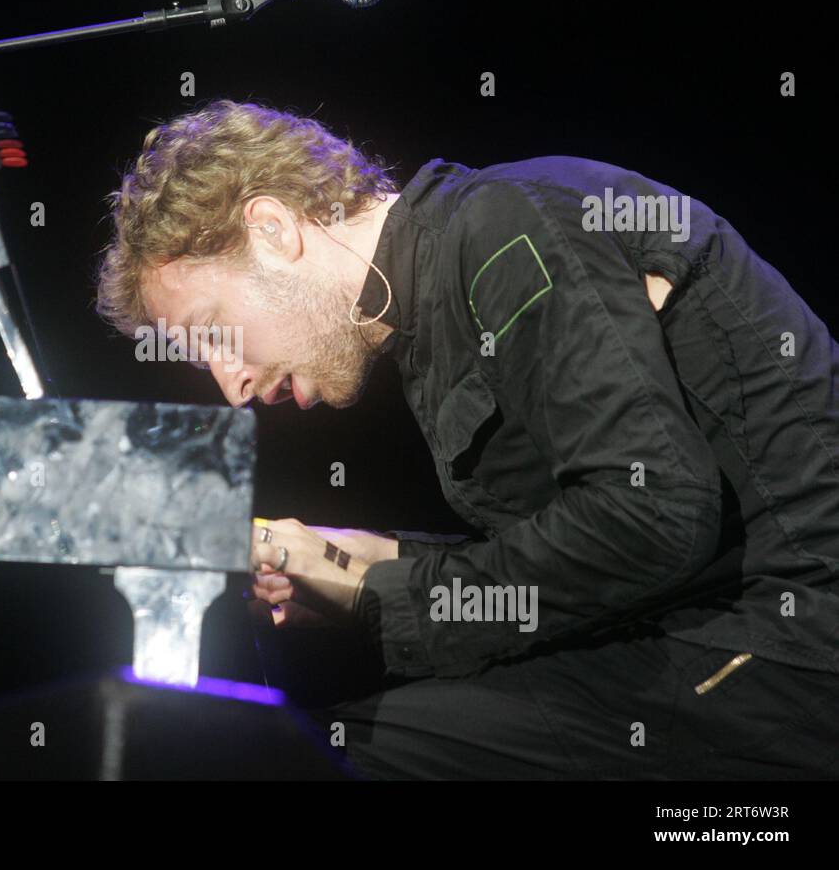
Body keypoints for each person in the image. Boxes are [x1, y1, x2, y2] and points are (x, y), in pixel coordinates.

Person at [94, 99, 839, 778]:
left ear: (272, 229)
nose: (232, 386)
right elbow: (591, 549)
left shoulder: (502, 228)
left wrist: (384, 595)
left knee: (317, 758)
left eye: (214, 334)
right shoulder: (442, 294)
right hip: (721, 639)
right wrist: (359, 559)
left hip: (788, 655)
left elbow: (653, 517)